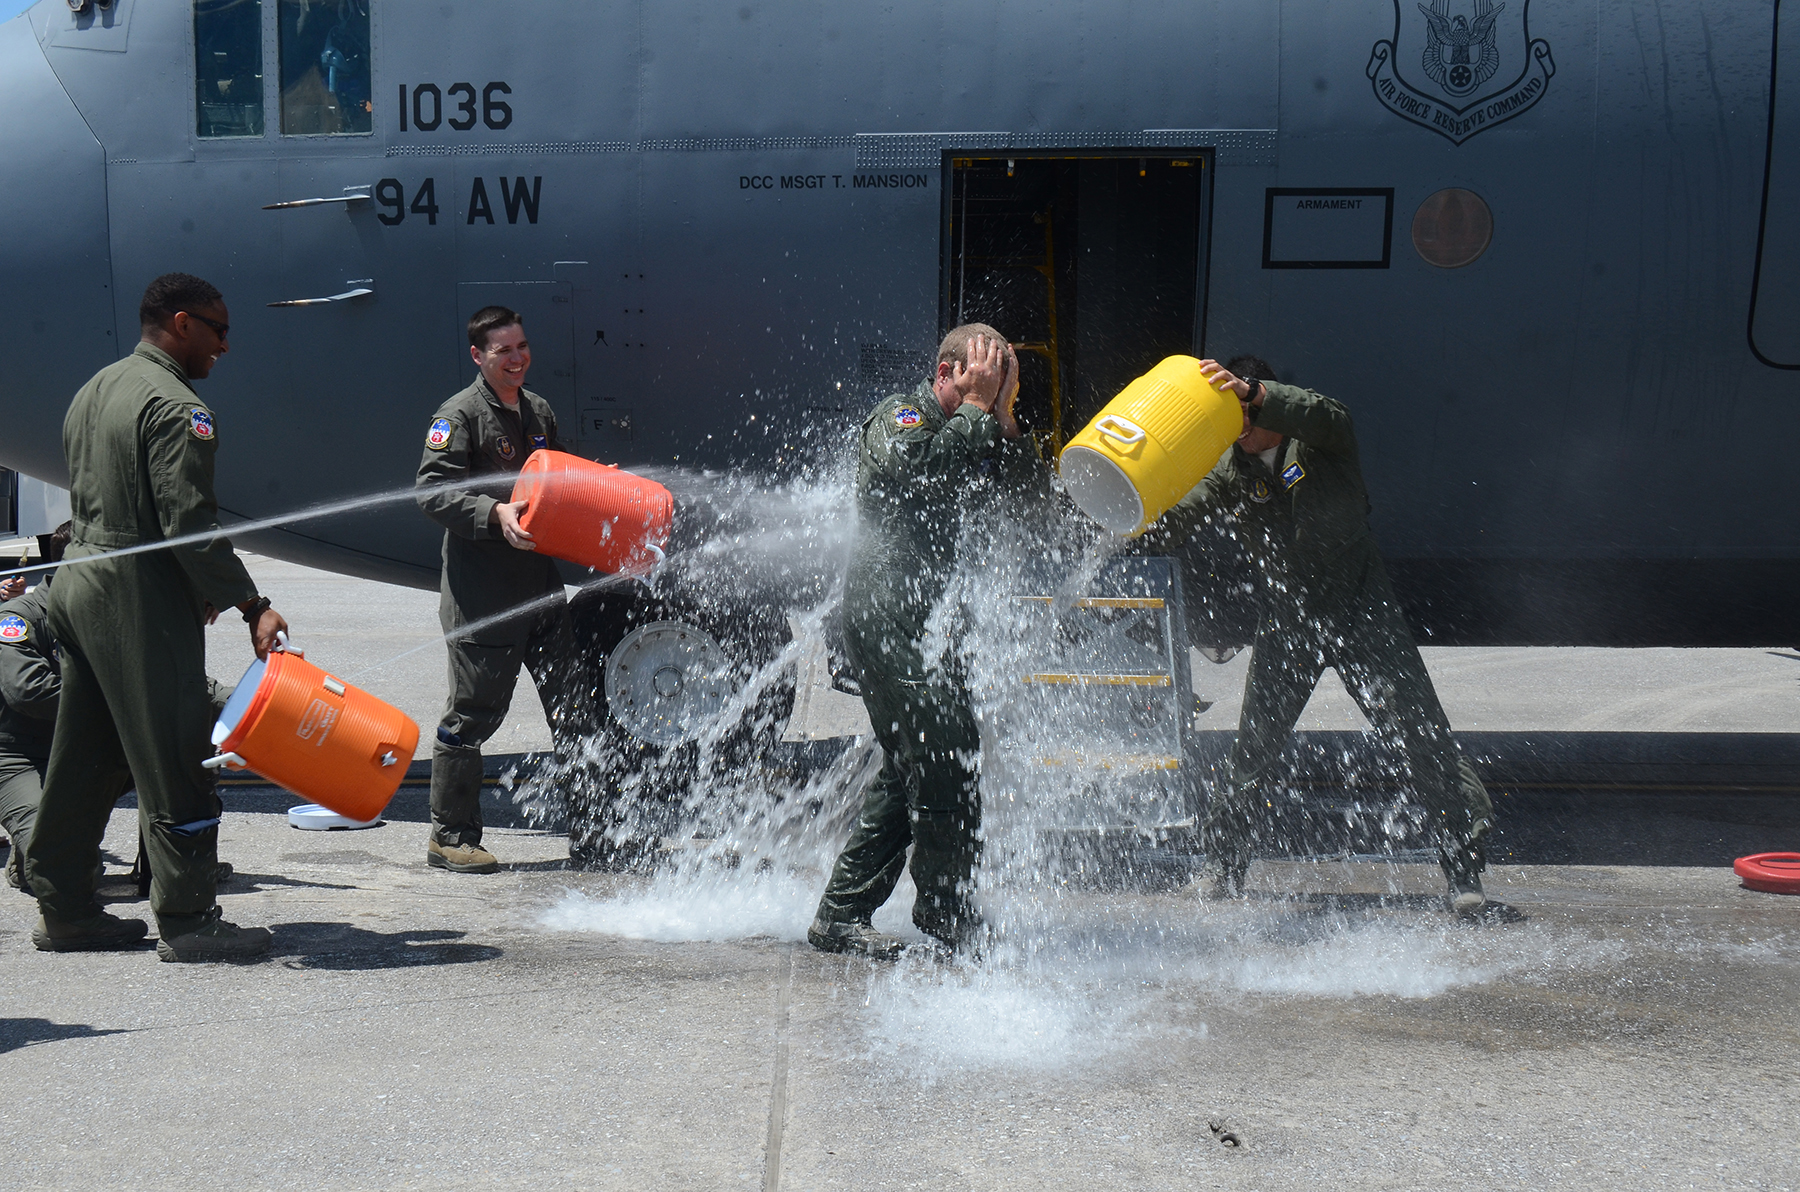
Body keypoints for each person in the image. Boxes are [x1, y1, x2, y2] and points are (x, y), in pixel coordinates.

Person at [1141, 355, 1494, 914]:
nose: (1241, 426)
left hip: (1361, 610)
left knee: (1418, 735)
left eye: (1247, 412)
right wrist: (1126, 519)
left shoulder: (1324, 443)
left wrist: (1256, 391)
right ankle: (1223, 864)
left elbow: (1328, 413)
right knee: (1253, 748)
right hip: (1290, 620)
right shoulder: (1232, 469)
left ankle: (1463, 869)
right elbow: (1179, 514)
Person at [24, 273, 288, 960]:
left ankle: (66, 905)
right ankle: (189, 917)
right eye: (218, 329)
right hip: (133, 596)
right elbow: (187, 522)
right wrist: (250, 604)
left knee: (88, 751)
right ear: (181, 323)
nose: (225, 346)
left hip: (77, 583)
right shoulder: (178, 407)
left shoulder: (96, 389)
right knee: (176, 751)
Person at [808, 326, 1048, 959]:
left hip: (931, 623)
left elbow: (1030, 498)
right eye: (982, 378)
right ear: (947, 373)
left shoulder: (979, 427)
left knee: (912, 761)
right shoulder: (904, 416)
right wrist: (975, 411)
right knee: (946, 752)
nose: (990, 394)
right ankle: (947, 909)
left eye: (1001, 383)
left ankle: (842, 912)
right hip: (888, 618)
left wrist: (1008, 418)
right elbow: (926, 474)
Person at [415, 305, 585, 874]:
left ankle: (600, 829)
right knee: (471, 716)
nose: (517, 359)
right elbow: (432, 493)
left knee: (578, 709)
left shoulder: (538, 410)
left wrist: (593, 484)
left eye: (521, 347)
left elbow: (559, 476)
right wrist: (493, 512)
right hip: (483, 598)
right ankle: (450, 837)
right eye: (503, 351)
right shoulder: (458, 416)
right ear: (477, 356)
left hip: (540, 591)